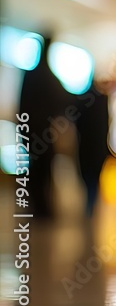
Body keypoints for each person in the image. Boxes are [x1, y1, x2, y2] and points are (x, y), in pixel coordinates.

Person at [18, 35, 70, 219]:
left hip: (35, 132)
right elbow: (63, 101)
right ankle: (41, 208)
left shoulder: (34, 75)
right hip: (40, 133)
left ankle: (39, 207)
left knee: (38, 171)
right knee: (42, 170)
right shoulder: (45, 76)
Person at [76, 79, 113, 216]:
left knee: (88, 178)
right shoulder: (102, 101)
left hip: (85, 147)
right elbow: (106, 127)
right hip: (97, 148)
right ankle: (91, 206)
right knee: (94, 179)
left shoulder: (81, 102)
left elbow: (77, 125)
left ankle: (89, 206)